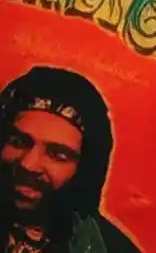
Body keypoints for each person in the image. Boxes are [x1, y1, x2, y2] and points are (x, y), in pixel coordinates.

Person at [0, 67, 139, 253]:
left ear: (84, 170)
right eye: (18, 142)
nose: (28, 164)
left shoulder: (108, 247)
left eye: (58, 155)